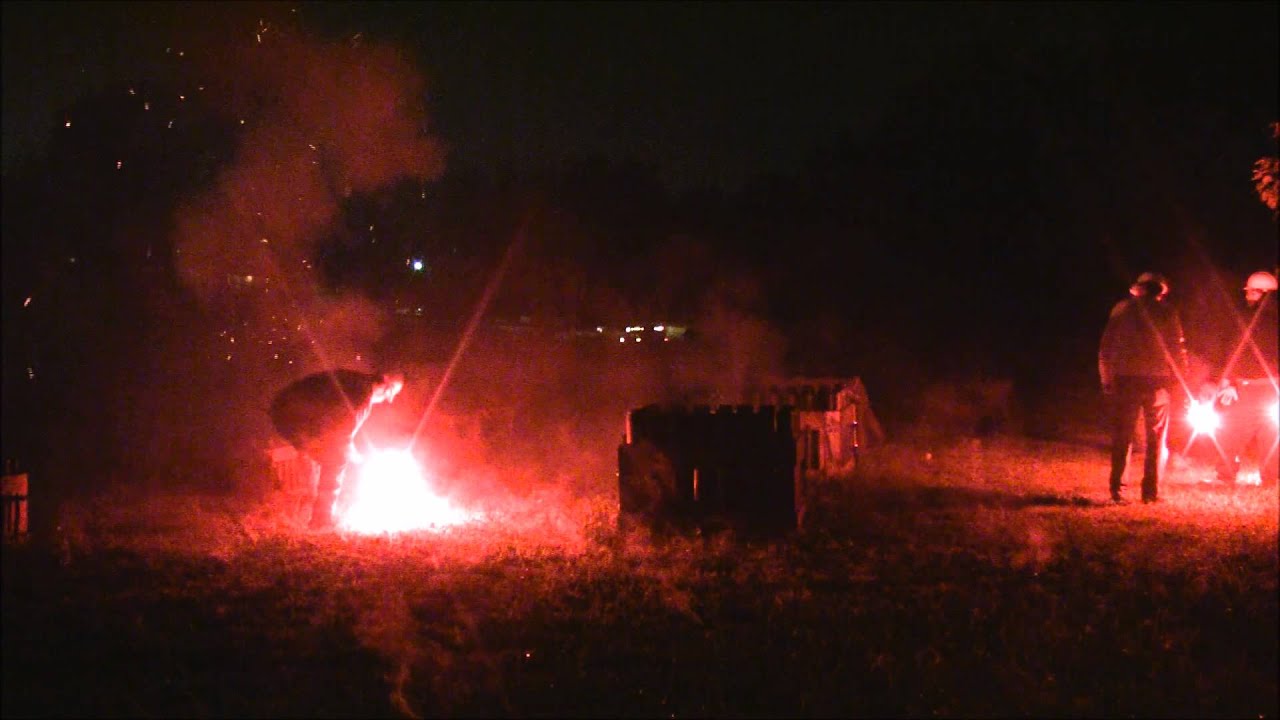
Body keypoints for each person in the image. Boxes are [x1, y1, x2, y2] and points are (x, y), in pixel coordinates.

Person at [269, 369, 405, 529]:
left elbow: (335, 426)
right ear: (385, 385)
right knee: (336, 459)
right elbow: (341, 436)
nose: (386, 401)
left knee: (323, 453)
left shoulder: (355, 381)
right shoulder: (362, 395)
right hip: (296, 417)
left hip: (285, 410)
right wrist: (359, 459)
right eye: (390, 394)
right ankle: (321, 519)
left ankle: (303, 508)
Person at [1098, 271, 1189, 503]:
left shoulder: (1121, 310)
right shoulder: (1167, 312)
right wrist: (1182, 379)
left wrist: (1106, 377)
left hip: (1125, 379)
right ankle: (1151, 493)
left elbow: (1106, 347)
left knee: (1123, 436)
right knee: (1156, 439)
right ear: (1160, 291)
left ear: (1139, 289)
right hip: (1157, 381)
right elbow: (1177, 349)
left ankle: (1118, 490)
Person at [1211, 270, 1278, 486]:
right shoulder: (1251, 318)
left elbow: (1236, 351)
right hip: (1265, 388)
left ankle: (1227, 475)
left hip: (1251, 388)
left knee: (1236, 431)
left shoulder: (1247, 319)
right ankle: (1269, 478)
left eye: (1251, 292)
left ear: (1263, 293)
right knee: (1269, 434)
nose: (1247, 296)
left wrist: (1230, 381)